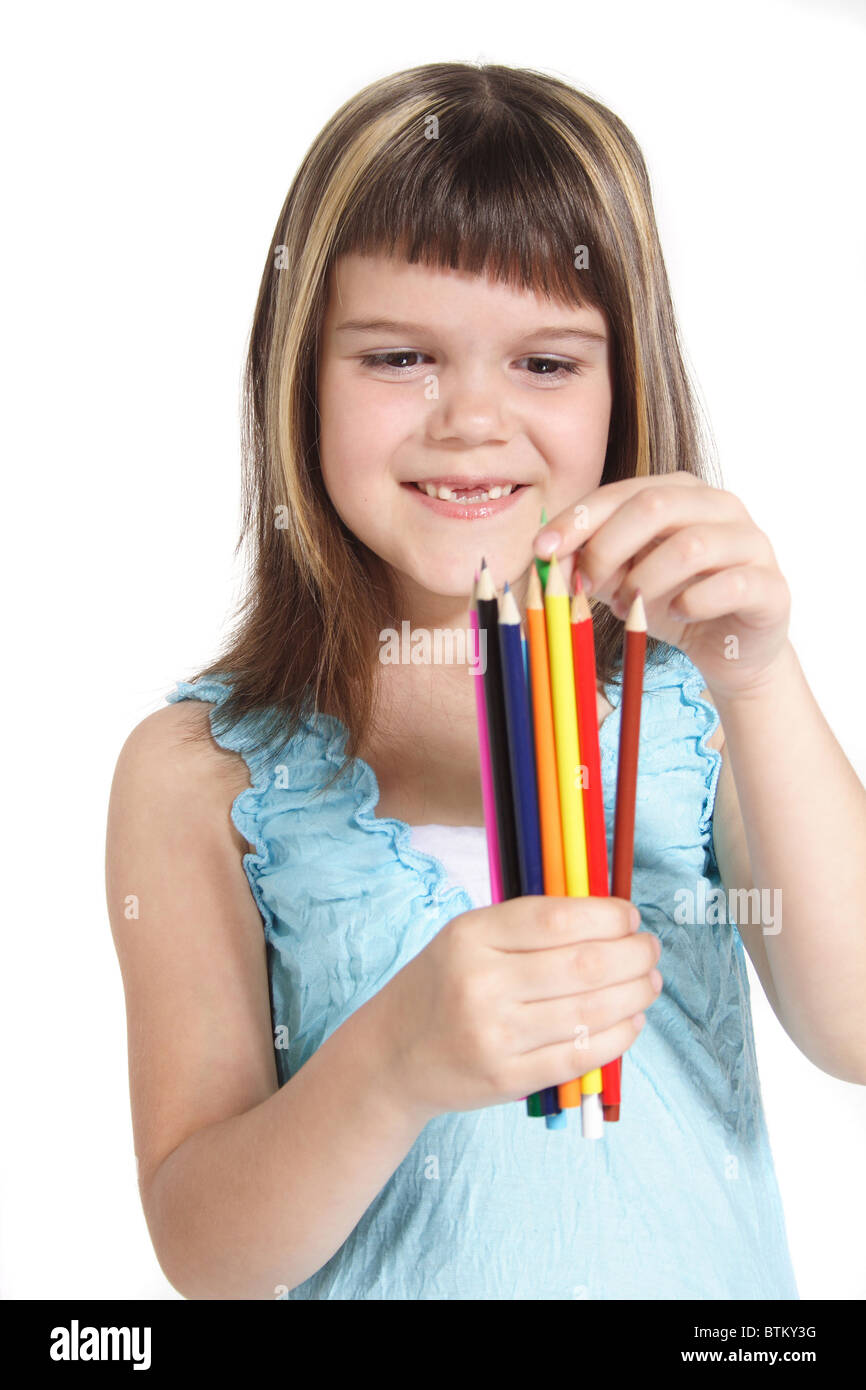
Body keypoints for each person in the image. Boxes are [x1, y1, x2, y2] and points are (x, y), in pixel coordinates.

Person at [106, 62, 866, 1300]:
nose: (471, 417)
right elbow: (206, 1251)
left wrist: (759, 676)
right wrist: (394, 1057)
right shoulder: (204, 773)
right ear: (298, 378)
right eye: (399, 357)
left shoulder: (692, 705)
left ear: (625, 386)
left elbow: (856, 1026)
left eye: (547, 363)